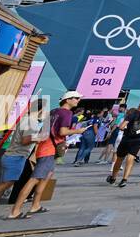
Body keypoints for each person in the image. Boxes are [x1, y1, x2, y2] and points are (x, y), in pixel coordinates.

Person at [10, 91, 86, 219]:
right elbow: (62, 131)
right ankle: (15, 211)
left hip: (44, 146)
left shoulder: (53, 111)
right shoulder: (67, 113)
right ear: (67, 100)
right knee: (34, 179)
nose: (78, 100)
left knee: (45, 177)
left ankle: (36, 205)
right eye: (76, 98)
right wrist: (78, 130)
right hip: (49, 149)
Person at [107, 102, 140, 188]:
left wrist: (126, 130)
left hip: (127, 139)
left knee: (119, 159)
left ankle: (113, 178)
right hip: (138, 140)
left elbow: (121, 127)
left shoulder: (131, 114)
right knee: (130, 159)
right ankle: (124, 179)